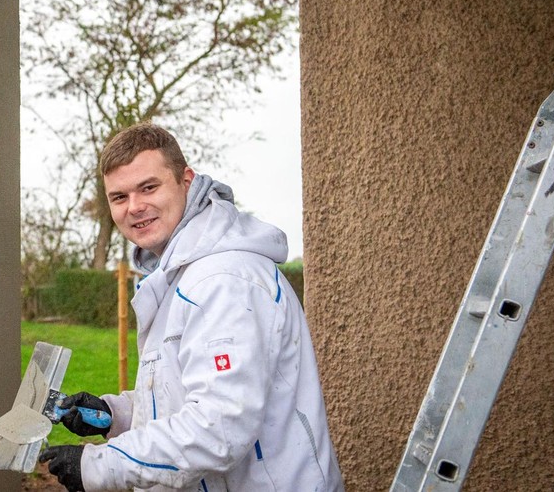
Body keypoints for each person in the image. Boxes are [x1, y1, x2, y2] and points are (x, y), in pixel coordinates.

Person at [39, 123, 344, 492]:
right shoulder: (181, 274)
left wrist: (99, 466)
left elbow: (219, 426)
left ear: (186, 180)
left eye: (148, 187)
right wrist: (113, 417)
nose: (135, 207)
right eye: (119, 197)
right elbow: (184, 394)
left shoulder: (224, 280)